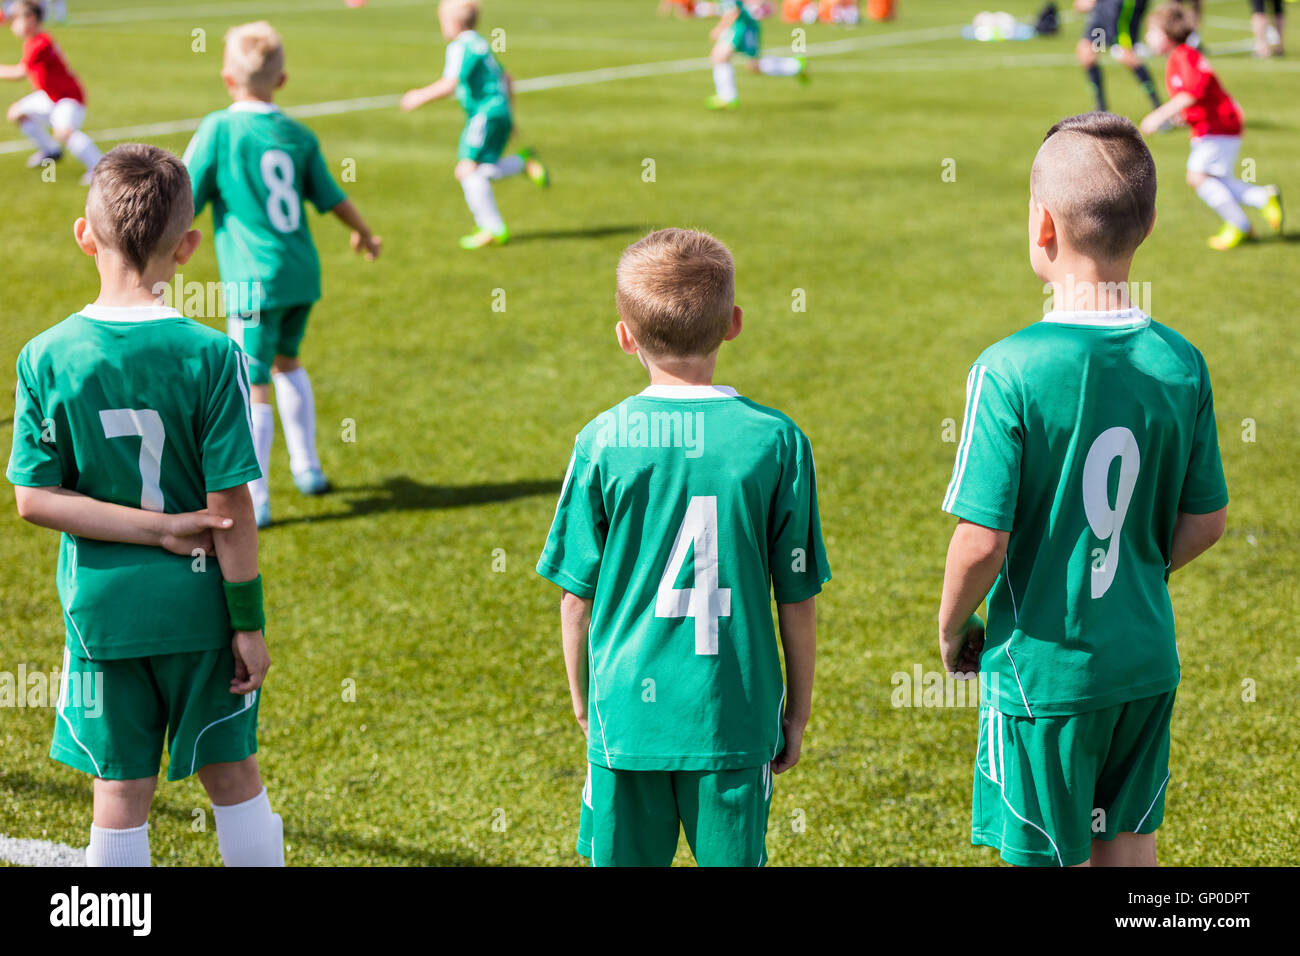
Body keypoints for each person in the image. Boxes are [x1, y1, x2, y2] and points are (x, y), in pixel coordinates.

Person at [938, 112, 1229, 867]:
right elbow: (1208, 521)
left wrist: (950, 629)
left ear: (1042, 228)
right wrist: (1132, 570)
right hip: (1142, 656)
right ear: (1150, 223)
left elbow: (982, 540)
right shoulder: (1181, 361)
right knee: (1130, 848)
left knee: (1044, 854)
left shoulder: (1008, 368)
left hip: (1047, 673)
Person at [7, 144, 283, 867]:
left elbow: (33, 500)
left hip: (104, 613)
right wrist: (248, 621)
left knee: (121, 791)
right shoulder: (212, 355)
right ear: (188, 248)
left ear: (83, 235)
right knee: (234, 777)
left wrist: (151, 531)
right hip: (200, 612)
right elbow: (232, 509)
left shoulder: (45, 355)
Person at [538, 228, 829, 866]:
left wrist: (587, 706)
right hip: (733, 714)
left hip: (628, 713)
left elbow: (574, 599)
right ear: (733, 324)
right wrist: (797, 714)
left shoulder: (602, 440)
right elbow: (797, 599)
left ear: (624, 335)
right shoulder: (776, 441)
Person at [183, 20, 381, 528]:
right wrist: (364, 233)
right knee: (288, 361)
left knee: (250, 383)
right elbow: (331, 196)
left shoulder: (219, 129)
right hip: (300, 273)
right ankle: (308, 467)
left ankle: (258, 495)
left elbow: (183, 195)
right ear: (283, 80)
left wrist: (155, 241)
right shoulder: (297, 133)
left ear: (227, 78)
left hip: (253, 282)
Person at [400, 0, 548, 250]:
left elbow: (450, 84)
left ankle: (493, 227)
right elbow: (507, 77)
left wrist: (418, 96)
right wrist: (511, 116)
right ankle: (522, 163)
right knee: (478, 170)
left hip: (484, 114)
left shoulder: (461, 46)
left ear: (454, 22)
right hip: (499, 111)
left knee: (467, 170)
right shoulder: (481, 43)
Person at [1140, 2, 1283, 250]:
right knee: (1217, 179)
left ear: (1167, 34)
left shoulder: (1183, 56)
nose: (1147, 37)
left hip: (1218, 125)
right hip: (1216, 125)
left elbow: (1192, 93)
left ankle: (1240, 225)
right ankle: (1263, 197)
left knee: (1197, 177)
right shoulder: (1182, 56)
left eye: (1151, 32)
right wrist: (1185, 117)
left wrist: (1159, 116)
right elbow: (1198, 94)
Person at [0, 0, 100, 183]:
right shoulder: (34, 41)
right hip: (50, 95)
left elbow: (19, 72)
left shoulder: (40, 43)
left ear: (30, 19)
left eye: (16, 19)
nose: (12, 24)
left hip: (66, 97)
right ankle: (51, 150)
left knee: (64, 132)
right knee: (16, 113)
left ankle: (98, 169)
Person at [708, 0, 808, 110]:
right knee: (747, 65)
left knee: (725, 58)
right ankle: (795, 65)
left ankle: (727, 97)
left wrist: (721, 27)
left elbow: (734, 10)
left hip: (744, 26)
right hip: (739, 24)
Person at [1074, 0, 1162, 114]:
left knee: (1126, 55)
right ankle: (1101, 110)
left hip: (1122, 5)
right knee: (1086, 53)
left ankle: (1159, 110)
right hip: (1103, 7)